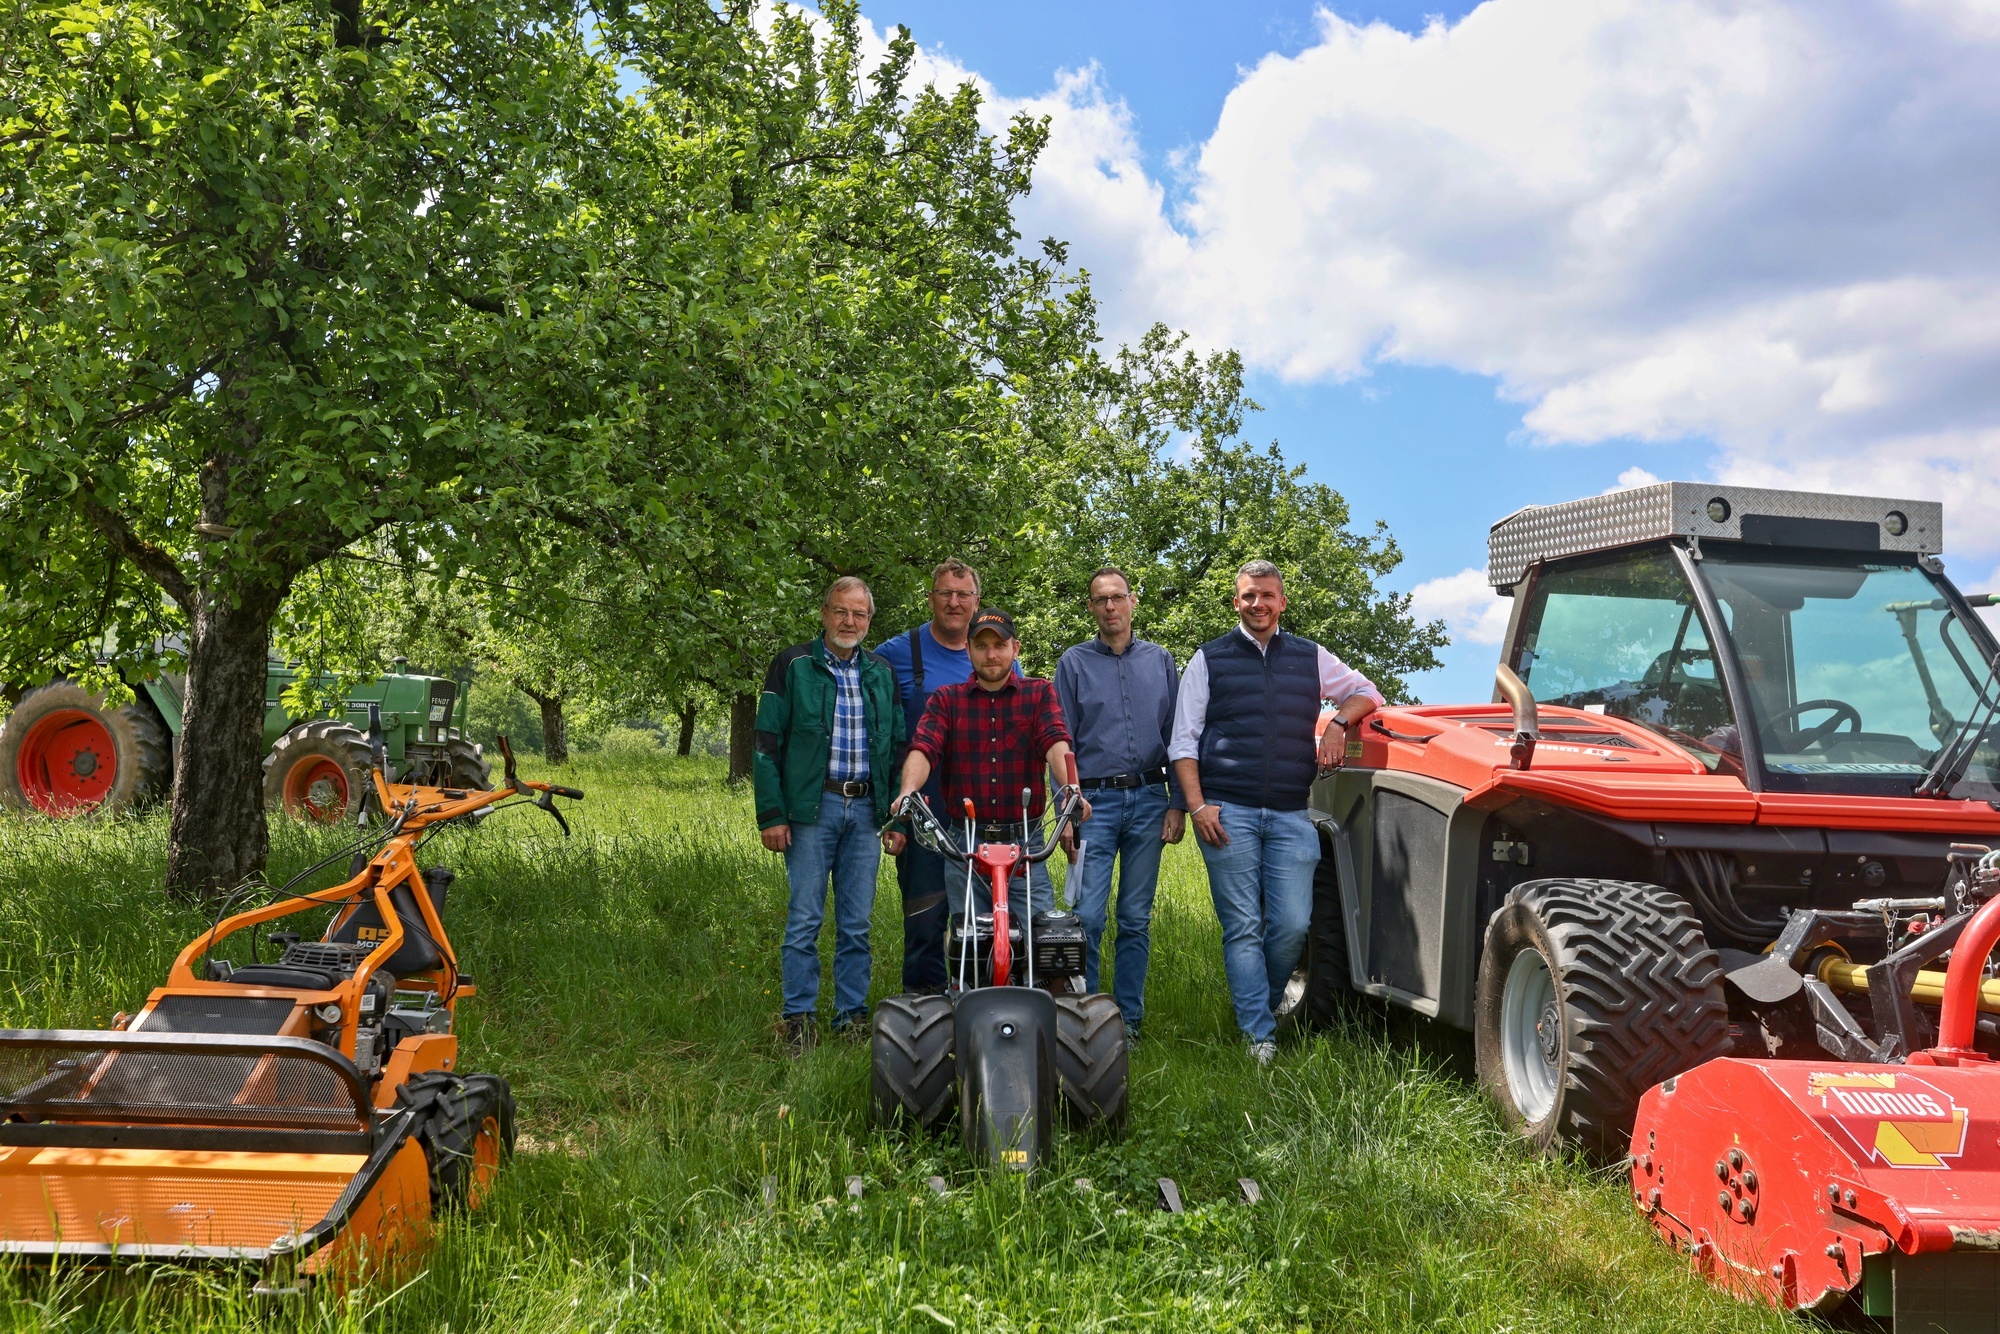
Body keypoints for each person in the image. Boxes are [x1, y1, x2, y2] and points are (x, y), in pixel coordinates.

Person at [1169, 560, 1382, 1065]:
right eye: (1248, 596)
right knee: (1242, 925)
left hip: (1291, 812)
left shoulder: (1310, 657)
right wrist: (1197, 806)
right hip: (1227, 811)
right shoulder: (1209, 659)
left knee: (1291, 923)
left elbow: (1367, 693)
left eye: (1267, 596)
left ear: (1282, 602)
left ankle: (1255, 1009)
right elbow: (1182, 742)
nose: (1257, 604)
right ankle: (1259, 1035)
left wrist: (1336, 724)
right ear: (1235, 602)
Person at [753, 576, 907, 1056]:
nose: (850, 622)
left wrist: (897, 819)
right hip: (809, 810)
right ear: (824, 614)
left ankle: (852, 1017)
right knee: (804, 918)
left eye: (860, 614)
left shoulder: (881, 672)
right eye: (841, 611)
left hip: (865, 810)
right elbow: (765, 745)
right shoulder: (793, 665)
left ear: (869, 620)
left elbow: (899, 749)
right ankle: (798, 1017)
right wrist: (771, 814)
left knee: (857, 924)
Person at [1054, 567, 1185, 1041]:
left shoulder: (1161, 661)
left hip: (1151, 799)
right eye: (1100, 600)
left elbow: (1178, 736)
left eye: (1117, 597)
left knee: (1135, 917)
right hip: (1094, 803)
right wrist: (1064, 808)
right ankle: (1084, 1014)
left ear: (1132, 602)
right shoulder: (1073, 664)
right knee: (1087, 915)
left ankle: (1127, 1021)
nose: (1110, 606)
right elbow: (1059, 740)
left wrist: (1179, 804)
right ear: (1091, 608)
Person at [894, 608, 1087, 924]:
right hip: (966, 843)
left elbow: (1055, 742)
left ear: (1015, 648)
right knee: (970, 946)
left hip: (1026, 842)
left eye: (999, 645)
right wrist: (907, 791)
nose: (991, 654)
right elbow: (924, 748)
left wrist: (1070, 791)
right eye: (981, 646)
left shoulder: (1038, 693)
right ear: (968, 650)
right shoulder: (947, 700)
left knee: (1038, 941)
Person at [875, 559, 991, 991]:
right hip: (922, 808)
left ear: (977, 601)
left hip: (983, 810)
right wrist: (895, 814)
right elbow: (879, 738)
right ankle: (923, 1013)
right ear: (931, 599)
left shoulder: (997, 654)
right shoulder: (894, 654)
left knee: (984, 920)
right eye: (945, 593)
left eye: (963, 595)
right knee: (925, 920)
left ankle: (980, 1011)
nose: (954, 602)